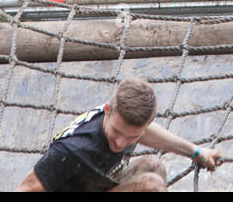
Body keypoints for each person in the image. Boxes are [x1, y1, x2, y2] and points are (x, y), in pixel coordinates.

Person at [15, 77, 222, 192]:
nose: (120, 143)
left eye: (132, 137)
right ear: (107, 110)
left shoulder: (125, 119)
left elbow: (148, 133)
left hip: (93, 184)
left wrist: (196, 152)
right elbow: (27, 187)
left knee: (153, 165)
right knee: (151, 187)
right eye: (116, 132)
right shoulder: (73, 149)